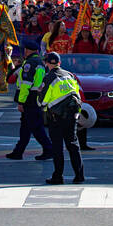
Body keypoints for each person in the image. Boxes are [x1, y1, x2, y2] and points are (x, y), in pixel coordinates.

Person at [40, 52, 84, 185]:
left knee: (58, 147)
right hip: (72, 114)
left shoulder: (49, 77)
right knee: (73, 145)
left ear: (47, 63)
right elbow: (77, 93)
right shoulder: (69, 75)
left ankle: (58, 176)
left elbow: (42, 101)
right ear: (59, 63)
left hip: (56, 117)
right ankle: (79, 175)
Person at [7, 37, 52, 161]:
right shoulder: (38, 62)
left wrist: (21, 102)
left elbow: (26, 85)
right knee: (25, 128)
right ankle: (18, 151)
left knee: (36, 127)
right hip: (35, 97)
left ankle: (49, 149)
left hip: (30, 99)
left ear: (27, 50)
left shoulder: (29, 64)